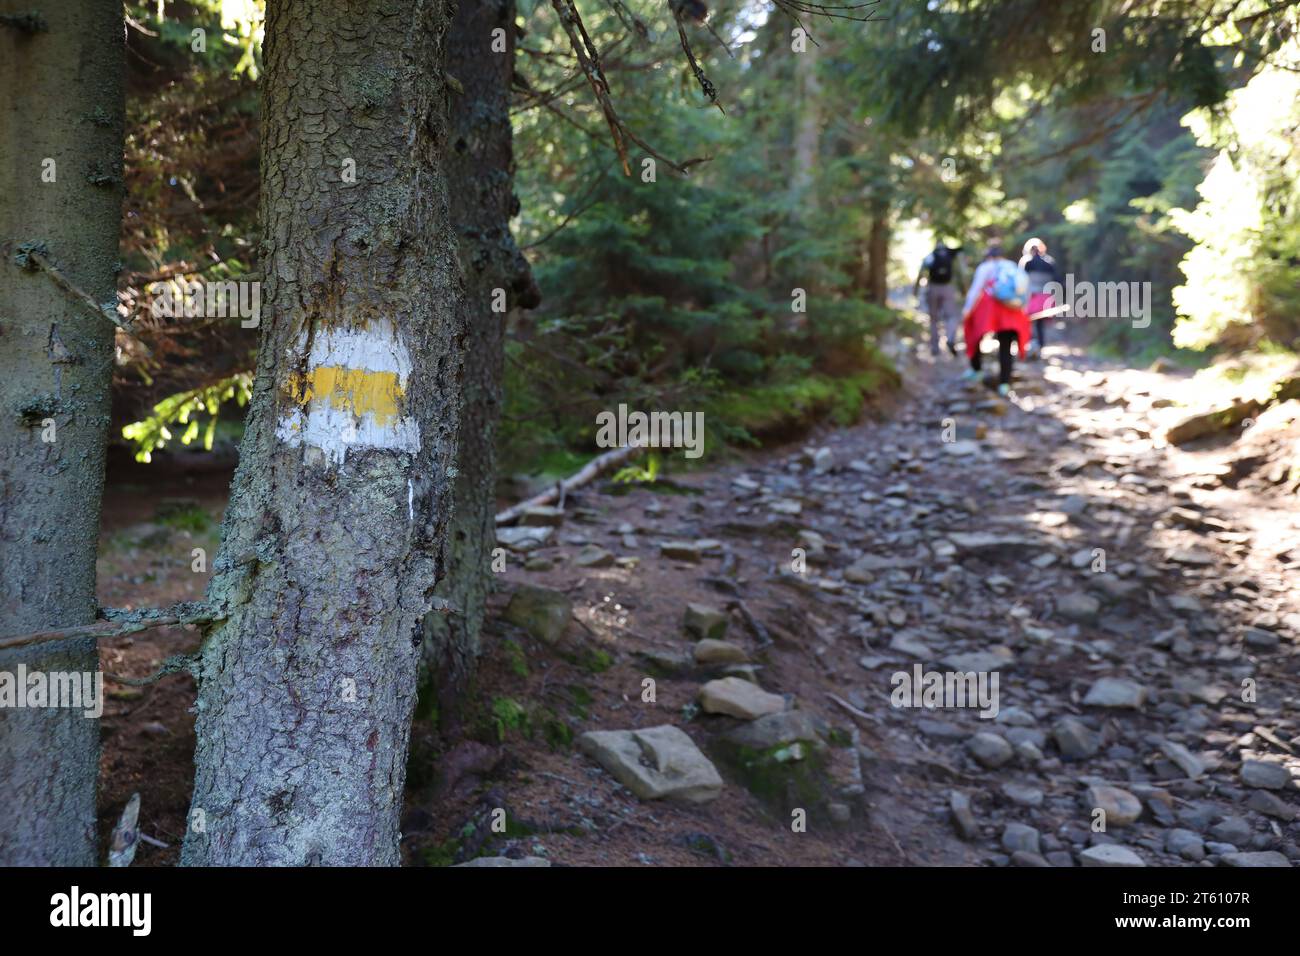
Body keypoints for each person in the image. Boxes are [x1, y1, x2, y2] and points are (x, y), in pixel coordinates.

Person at [961, 243, 1030, 397]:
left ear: (989, 256)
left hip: (992, 311)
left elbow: (976, 289)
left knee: (975, 334)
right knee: (1006, 347)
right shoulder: (1012, 266)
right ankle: (1004, 383)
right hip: (1013, 311)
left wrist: (967, 309)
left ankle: (976, 369)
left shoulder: (986, 267)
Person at [912, 241, 963, 357]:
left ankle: (935, 348)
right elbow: (960, 272)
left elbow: (921, 273)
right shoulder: (950, 255)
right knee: (951, 316)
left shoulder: (931, 256)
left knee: (934, 319)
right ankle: (950, 338)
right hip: (947, 288)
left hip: (933, 288)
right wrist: (964, 289)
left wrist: (915, 290)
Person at [1019, 238, 1060, 358]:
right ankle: (1040, 347)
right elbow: (1056, 280)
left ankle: (1030, 346)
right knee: (1040, 324)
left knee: (1028, 322)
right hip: (1045, 298)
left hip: (1031, 297)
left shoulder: (1026, 262)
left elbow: (1021, 280)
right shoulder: (1050, 263)